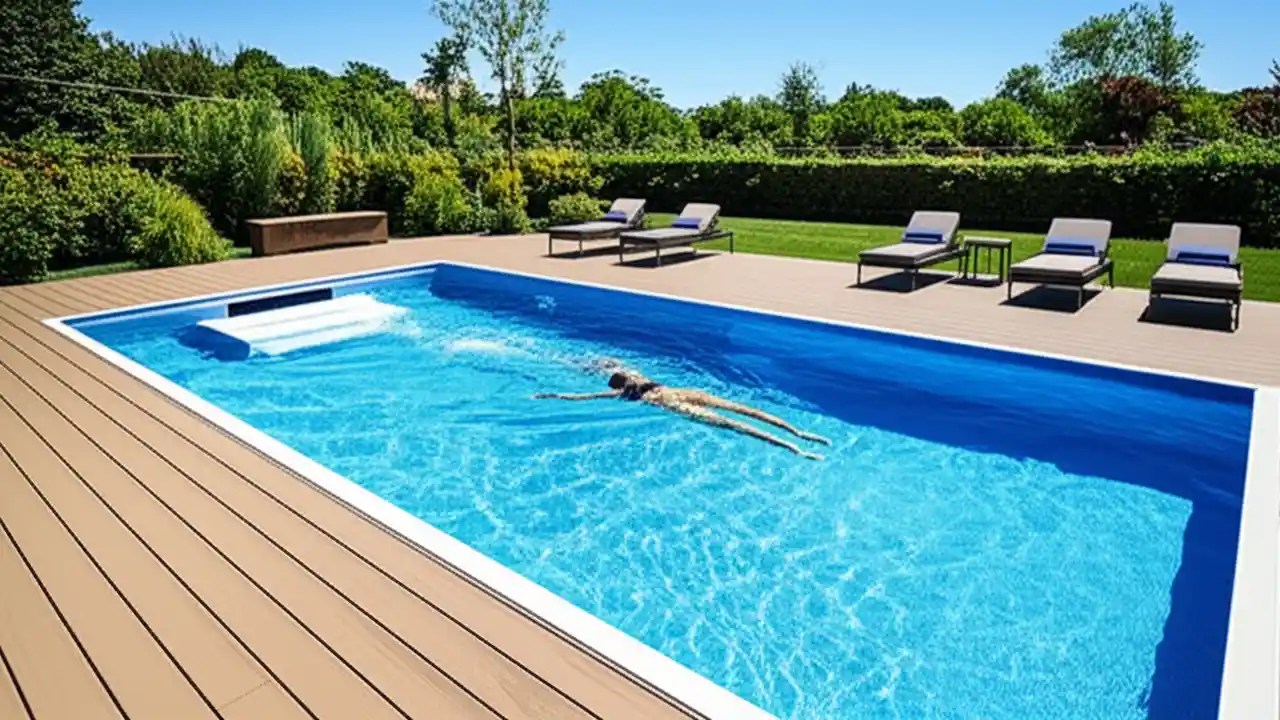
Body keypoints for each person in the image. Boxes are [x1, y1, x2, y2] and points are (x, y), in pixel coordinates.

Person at [534, 368, 830, 460]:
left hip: (678, 394)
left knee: (742, 411)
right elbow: (584, 396)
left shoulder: (631, 381)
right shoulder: (624, 389)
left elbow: (593, 383)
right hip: (673, 399)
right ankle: (795, 447)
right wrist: (554, 395)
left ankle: (798, 433)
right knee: (733, 422)